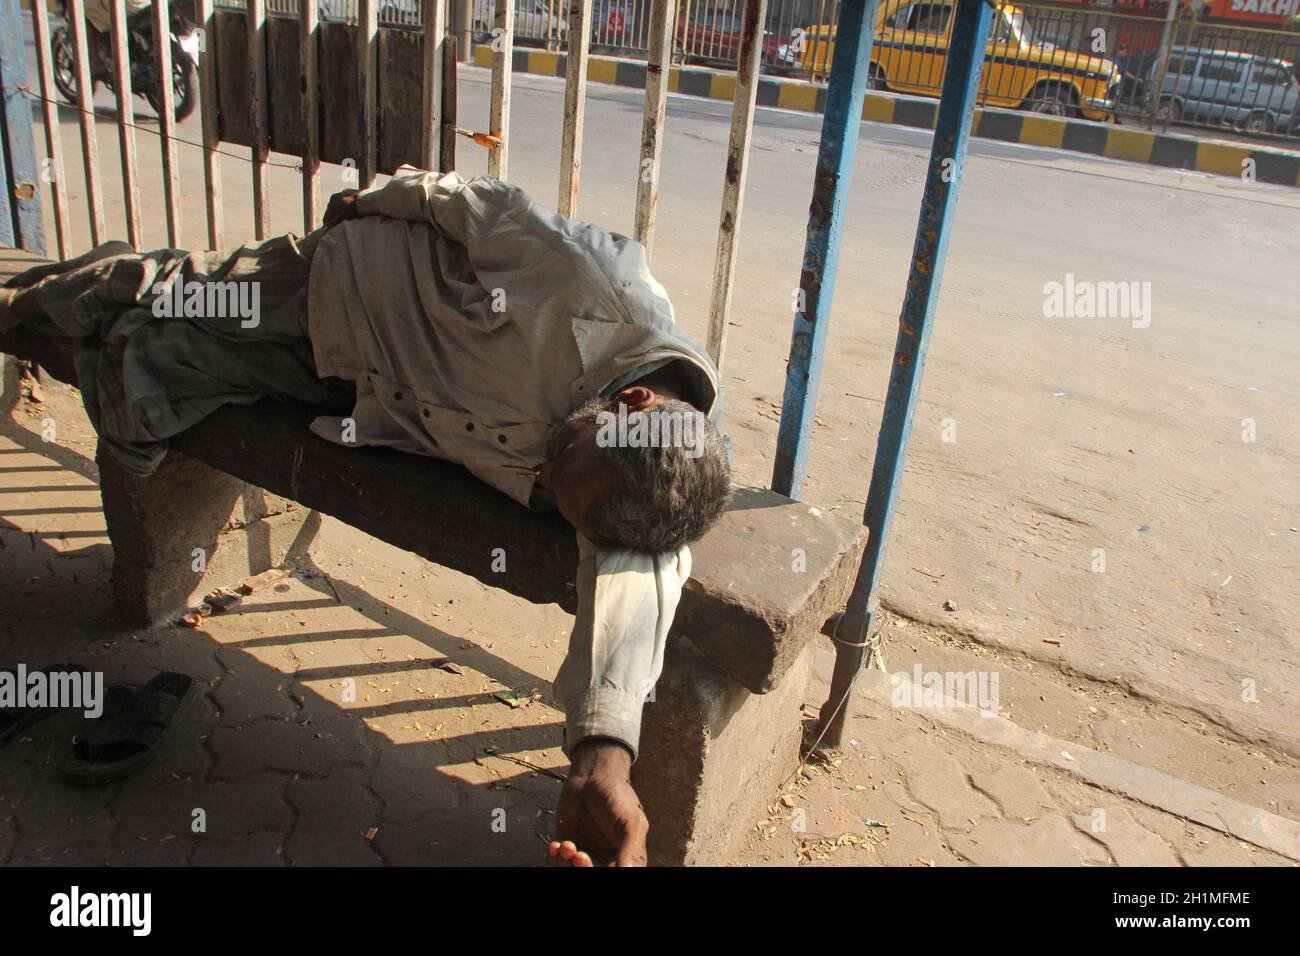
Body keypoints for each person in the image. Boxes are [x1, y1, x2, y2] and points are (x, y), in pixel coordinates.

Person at [1, 168, 733, 867]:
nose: (543, 474)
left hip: (361, 392)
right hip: (347, 282)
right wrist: (372, 201)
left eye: (555, 489)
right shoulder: (593, 286)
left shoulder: (645, 491)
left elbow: (634, 599)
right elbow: (472, 202)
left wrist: (600, 763)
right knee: (168, 295)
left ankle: (96, 314)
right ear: (632, 404)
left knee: (152, 362)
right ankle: (33, 296)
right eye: (558, 457)